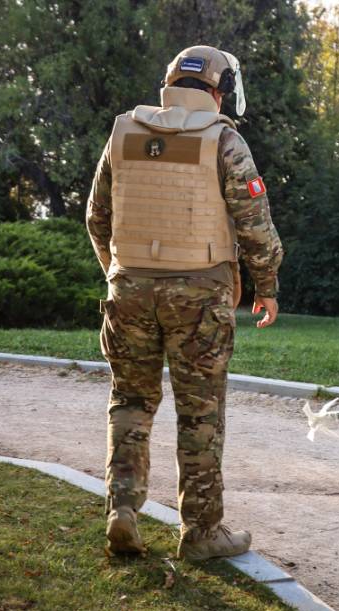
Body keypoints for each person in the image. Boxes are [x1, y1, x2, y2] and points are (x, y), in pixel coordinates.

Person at [85, 45, 283, 561]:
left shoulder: (123, 132)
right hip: (199, 295)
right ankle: (200, 534)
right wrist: (266, 287)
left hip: (128, 289)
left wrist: (117, 270)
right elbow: (256, 227)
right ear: (220, 90)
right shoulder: (223, 140)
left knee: (129, 402)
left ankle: (122, 511)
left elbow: (96, 216)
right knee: (200, 414)